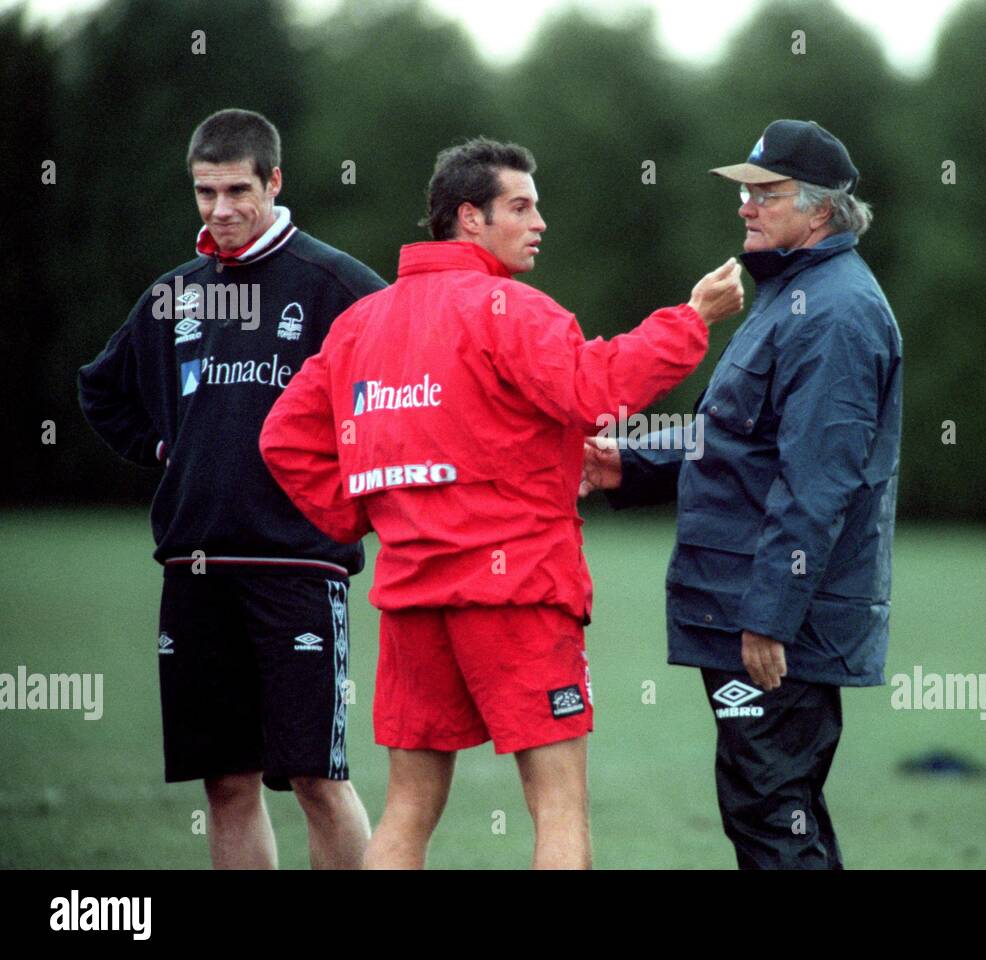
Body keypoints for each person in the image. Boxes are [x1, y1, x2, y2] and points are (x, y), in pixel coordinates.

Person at [259, 136, 744, 869]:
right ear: (469, 218)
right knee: (557, 804)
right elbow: (593, 389)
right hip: (518, 592)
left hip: (413, 596)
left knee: (408, 810)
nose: (538, 222)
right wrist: (693, 319)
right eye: (520, 206)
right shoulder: (510, 308)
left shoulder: (363, 323)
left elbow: (284, 440)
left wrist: (365, 511)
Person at [582, 119, 903, 869]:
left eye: (765, 193)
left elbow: (816, 485)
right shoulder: (794, 293)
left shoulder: (835, 312)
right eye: (744, 191)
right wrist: (629, 464)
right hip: (744, 606)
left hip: (771, 623)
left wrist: (768, 619)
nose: (745, 207)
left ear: (820, 210)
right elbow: (738, 442)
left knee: (772, 815)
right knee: (771, 809)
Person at [78, 108, 383, 869]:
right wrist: (166, 448)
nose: (221, 209)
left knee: (316, 777)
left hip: (298, 569)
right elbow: (101, 390)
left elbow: (408, 385)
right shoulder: (172, 296)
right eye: (204, 191)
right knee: (226, 784)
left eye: (238, 189)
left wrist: (364, 483)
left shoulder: (337, 284)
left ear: (274, 182)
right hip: (194, 569)